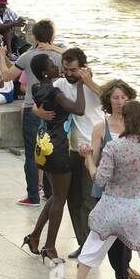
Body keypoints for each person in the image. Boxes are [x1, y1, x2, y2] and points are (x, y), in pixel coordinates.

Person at [66, 99, 140, 279]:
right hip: (139, 211)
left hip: (111, 209)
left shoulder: (113, 147)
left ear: (126, 120)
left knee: (92, 249)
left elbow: (99, 180)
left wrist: (88, 159)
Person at [22, 54, 86, 264]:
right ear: (45, 72)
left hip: (44, 146)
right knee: (60, 198)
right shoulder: (55, 92)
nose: (56, 65)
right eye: (51, 64)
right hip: (58, 148)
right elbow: (79, 110)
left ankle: (34, 236)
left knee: (55, 195)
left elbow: (37, 106)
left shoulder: (36, 89)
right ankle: (49, 247)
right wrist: (81, 85)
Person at [0, 20, 64, 205]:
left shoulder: (27, 56)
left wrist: (2, 56)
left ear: (34, 37)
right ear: (52, 36)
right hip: (55, 108)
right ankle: (50, 193)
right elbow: (79, 59)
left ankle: (33, 195)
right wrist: (55, 47)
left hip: (32, 108)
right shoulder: (59, 57)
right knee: (51, 150)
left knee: (31, 154)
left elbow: (6, 76)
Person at [47, 48, 105, 258]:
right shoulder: (60, 84)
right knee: (73, 200)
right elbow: (42, 100)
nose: (68, 74)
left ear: (83, 67)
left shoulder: (93, 86)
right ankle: (83, 243)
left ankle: (93, 246)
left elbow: (113, 100)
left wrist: (87, 82)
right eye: (65, 69)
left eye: (72, 70)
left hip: (94, 149)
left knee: (90, 199)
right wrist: (38, 111)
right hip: (71, 149)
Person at [87, 80, 140, 279]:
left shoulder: (137, 126)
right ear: (108, 101)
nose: (120, 102)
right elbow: (94, 155)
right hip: (107, 191)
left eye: (123, 97)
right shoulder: (101, 127)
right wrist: (87, 154)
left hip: (131, 192)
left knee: (127, 235)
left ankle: (124, 267)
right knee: (114, 238)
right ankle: (121, 277)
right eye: (115, 97)